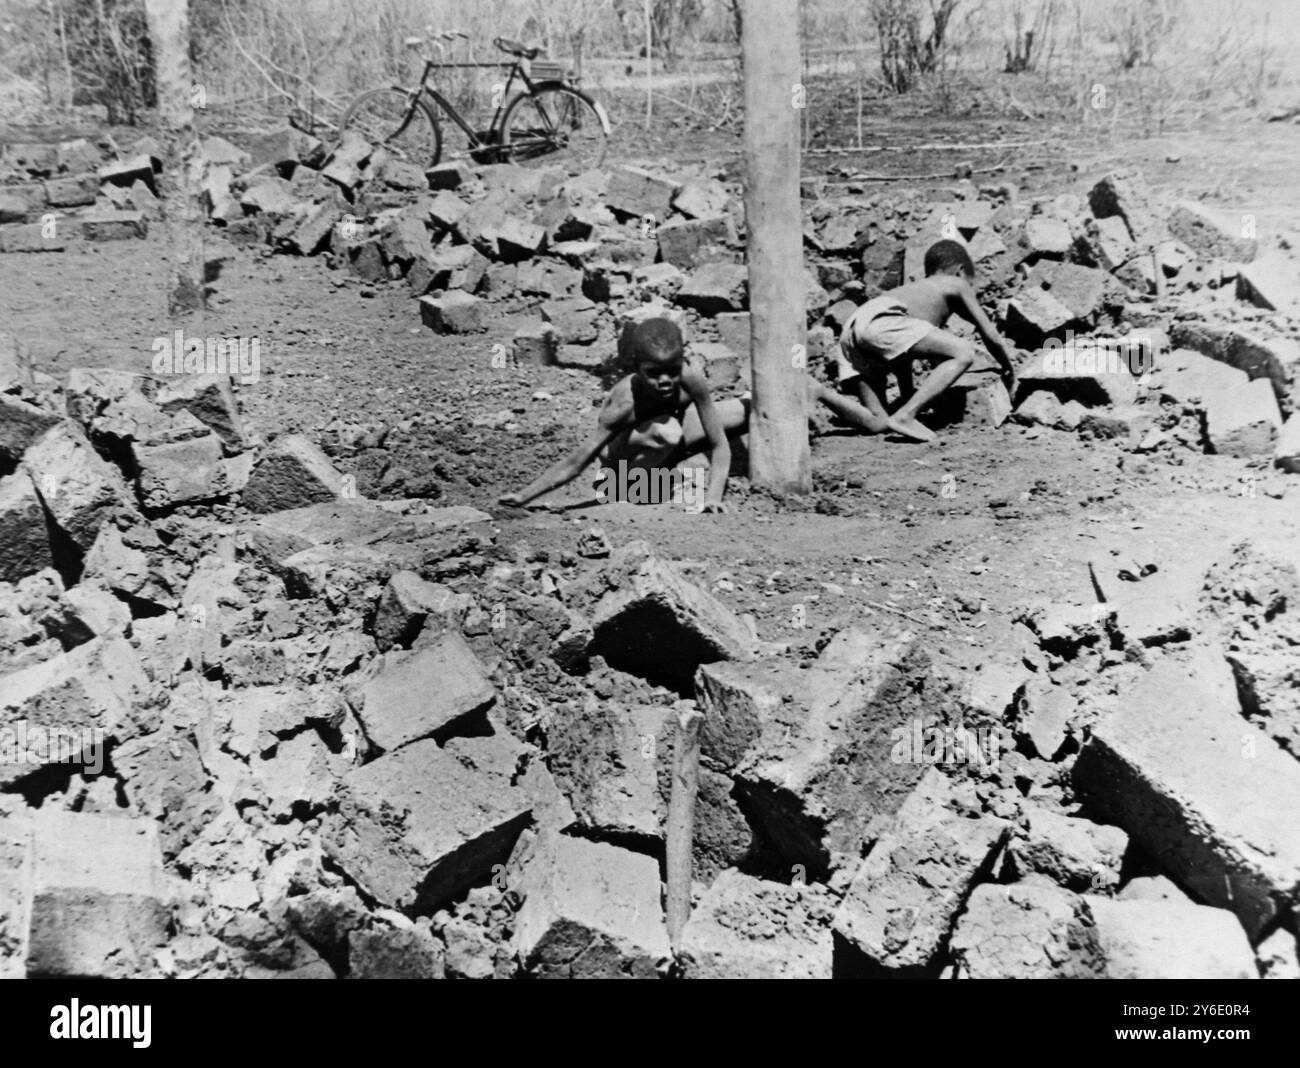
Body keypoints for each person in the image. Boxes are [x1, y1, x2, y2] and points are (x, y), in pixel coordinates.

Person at [498, 318, 743, 513]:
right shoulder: (624, 402)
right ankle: (628, 486)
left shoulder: (691, 378)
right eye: (654, 373)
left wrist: (712, 498)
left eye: (672, 371)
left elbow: (719, 444)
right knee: (667, 430)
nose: (665, 381)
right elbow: (577, 461)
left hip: (668, 436)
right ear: (637, 367)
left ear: (683, 362)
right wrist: (524, 496)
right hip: (622, 458)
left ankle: (665, 467)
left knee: (742, 410)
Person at [835, 239, 1016, 442]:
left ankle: (818, 391)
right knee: (964, 352)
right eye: (970, 282)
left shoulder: (913, 292)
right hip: (884, 321)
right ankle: (905, 416)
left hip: (854, 326)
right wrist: (1009, 368)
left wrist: (907, 396)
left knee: (879, 422)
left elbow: (901, 355)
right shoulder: (956, 283)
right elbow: (990, 334)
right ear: (960, 270)